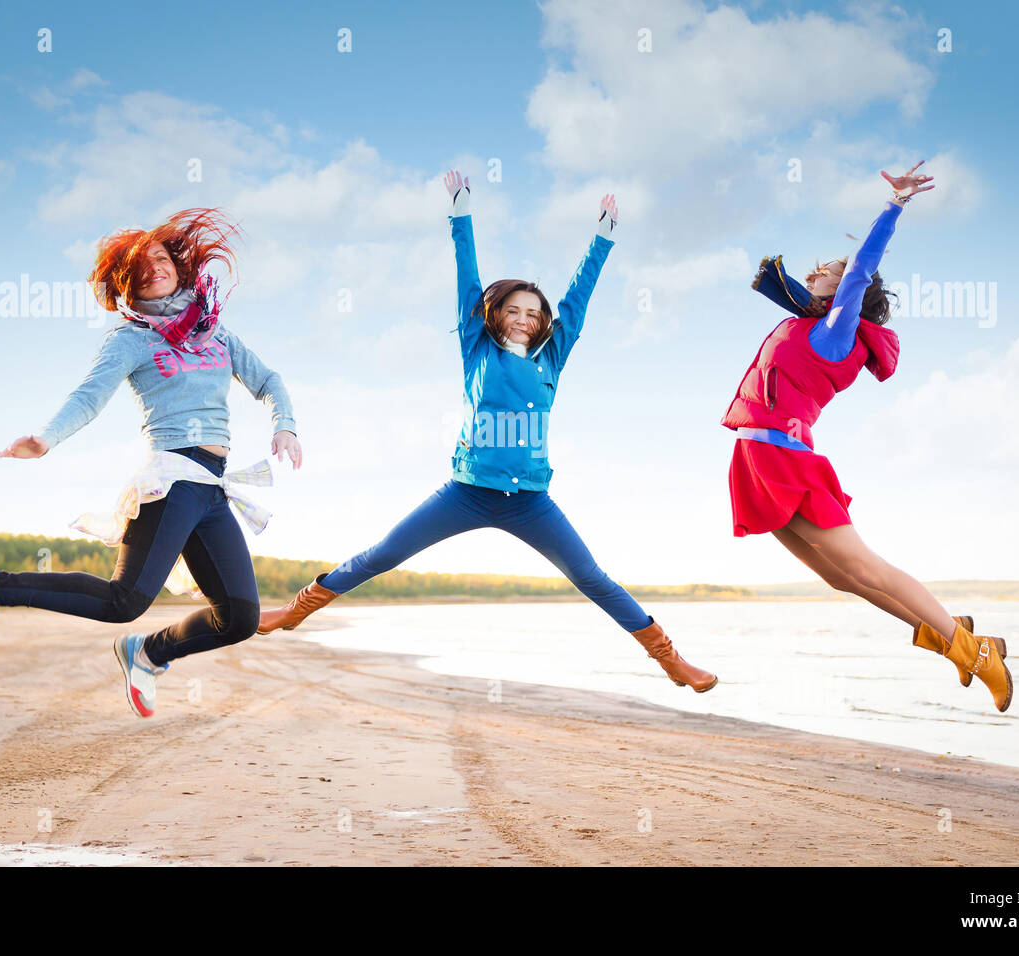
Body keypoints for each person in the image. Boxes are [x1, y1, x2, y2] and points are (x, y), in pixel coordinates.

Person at [256, 171, 716, 693]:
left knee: (591, 578)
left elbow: (578, 300)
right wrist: (460, 214)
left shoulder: (553, 357)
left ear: (543, 323)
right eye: (513, 311)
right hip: (467, 493)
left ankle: (672, 661)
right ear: (495, 316)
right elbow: (467, 277)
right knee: (384, 554)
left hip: (530, 501)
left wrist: (603, 239)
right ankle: (294, 611)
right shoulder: (477, 348)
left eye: (533, 314)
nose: (523, 319)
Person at [0, 208, 302, 717]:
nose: (154, 267)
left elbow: (269, 381)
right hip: (171, 480)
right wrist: (44, 439)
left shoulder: (217, 334)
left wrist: (285, 424)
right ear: (128, 285)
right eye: (140, 266)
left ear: (178, 263)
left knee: (238, 617)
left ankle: (148, 654)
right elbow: (89, 396)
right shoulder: (131, 339)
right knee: (123, 600)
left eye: (160, 257)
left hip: (212, 489)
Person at [721, 162, 1012, 711]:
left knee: (864, 568)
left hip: (785, 460)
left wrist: (894, 206)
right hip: (753, 456)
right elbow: (802, 291)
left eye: (826, 272)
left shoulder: (837, 335)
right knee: (840, 579)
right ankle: (964, 642)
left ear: (847, 291)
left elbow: (860, 271)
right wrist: (800, 284)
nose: (816, 275)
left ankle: (973, 651)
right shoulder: (806, 324)